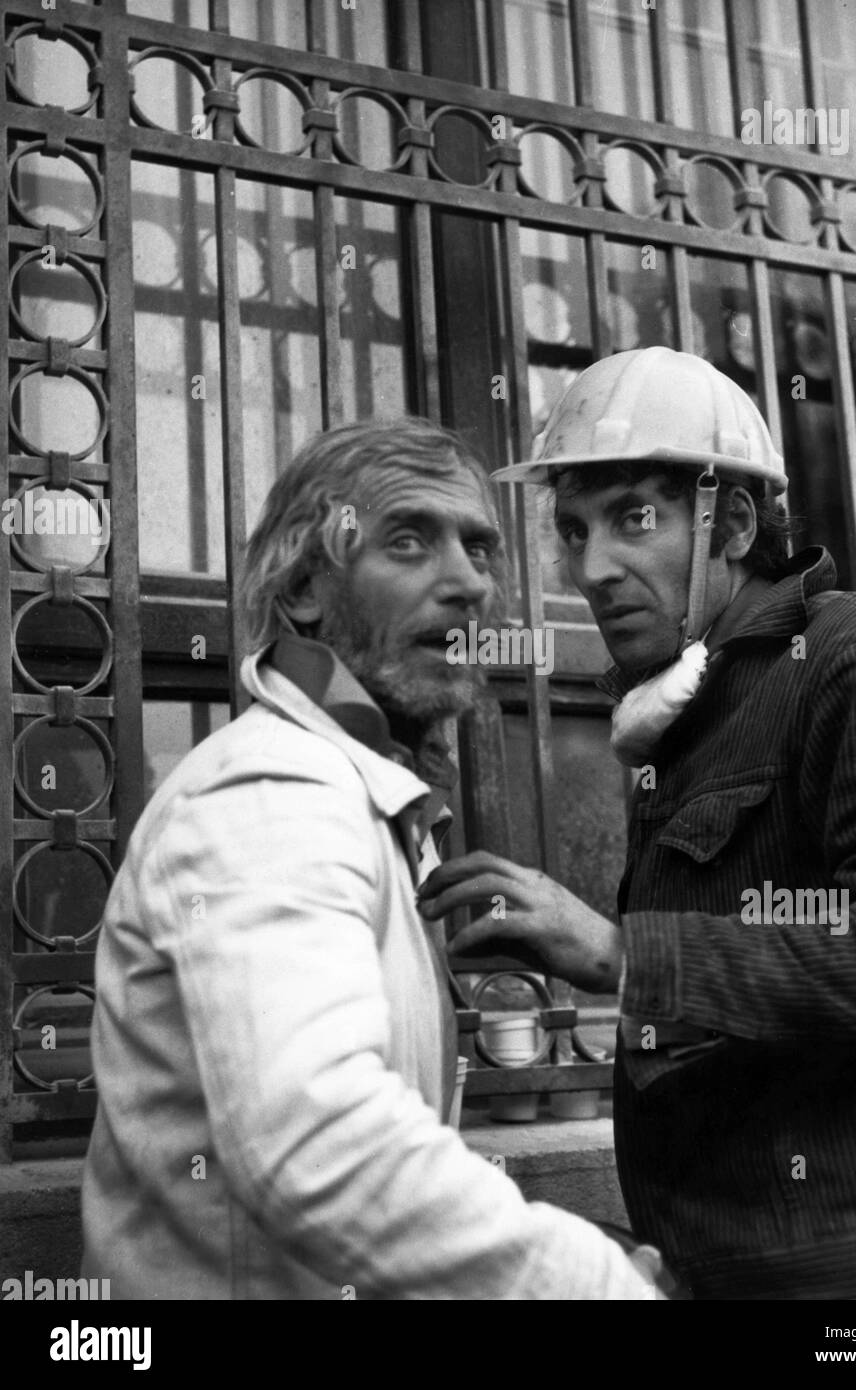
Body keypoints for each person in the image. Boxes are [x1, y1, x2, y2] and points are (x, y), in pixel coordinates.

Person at [418, 347, 856, 1300]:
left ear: (731, 521)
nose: (592, 569)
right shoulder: (689, 712)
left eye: (632, 520)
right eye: (572, 530)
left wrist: (626, 956)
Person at [80, 418, 660, 1300]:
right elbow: (321, 1148)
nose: (467, 584)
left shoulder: (364, 791)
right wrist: (601, 1285)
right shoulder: (273, 795)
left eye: (479, 547)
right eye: (408, 541)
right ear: (308, 587)